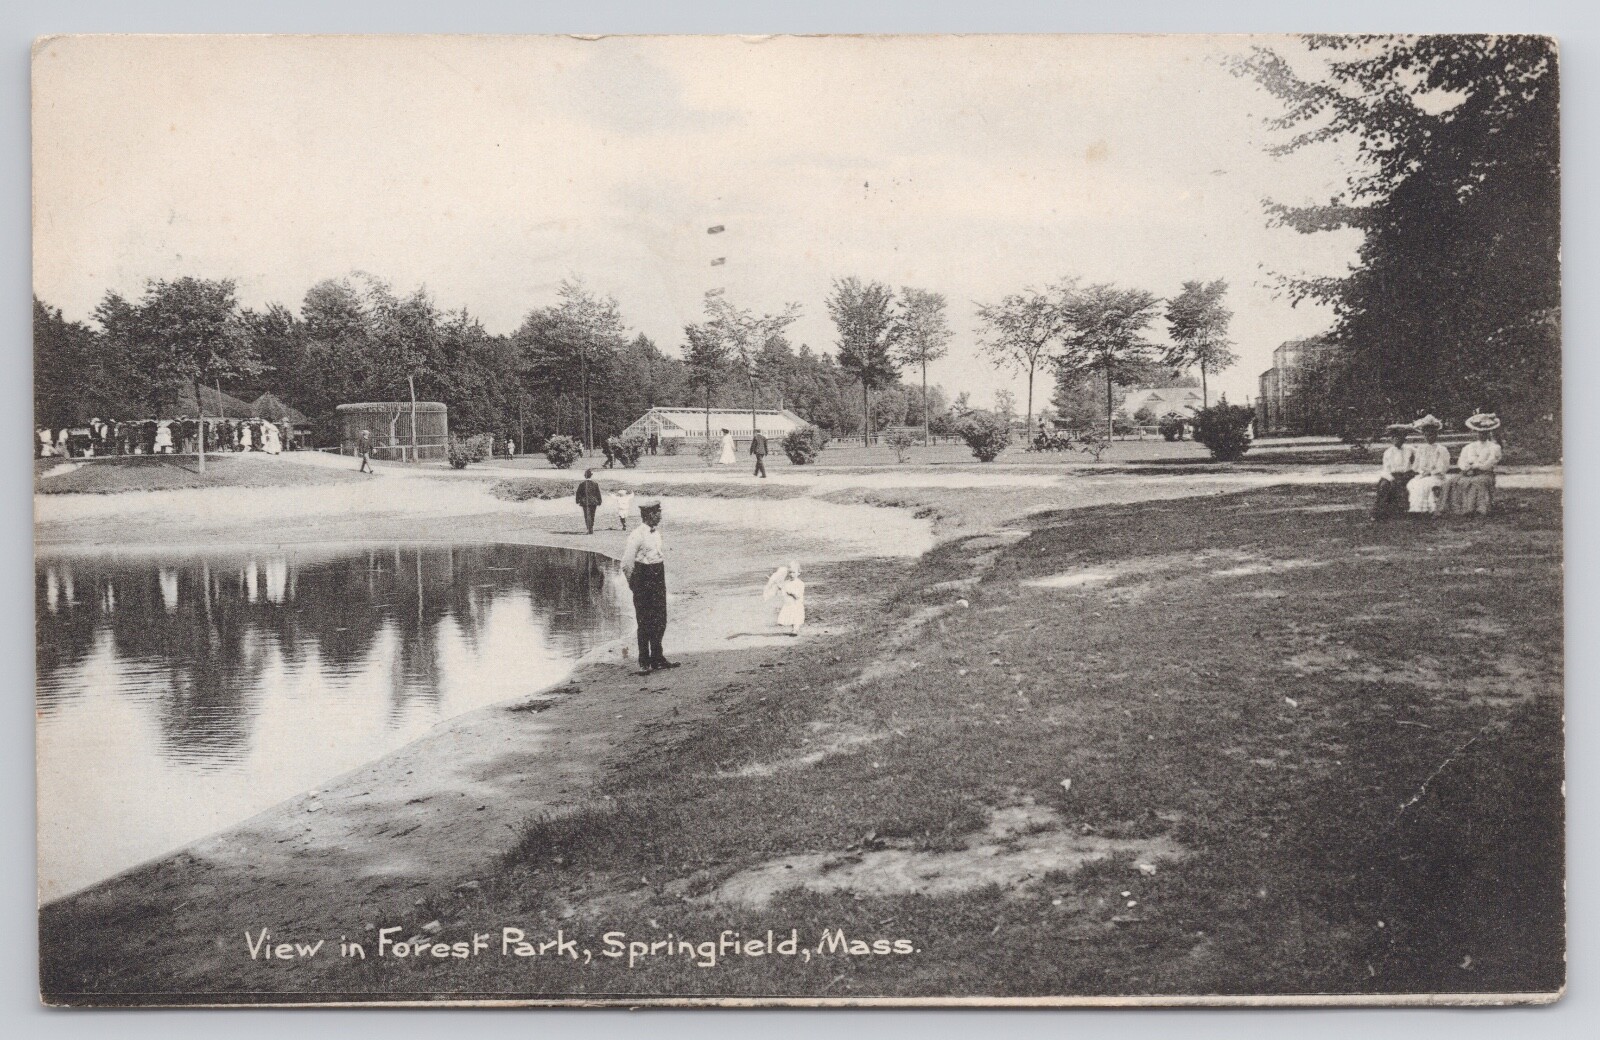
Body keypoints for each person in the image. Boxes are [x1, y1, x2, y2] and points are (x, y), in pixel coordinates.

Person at [621, 500, 676, 673]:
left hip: (658, 576)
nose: (660, 516)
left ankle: (657, 658)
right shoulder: (637, 535)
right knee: (645, 621)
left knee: (660, 618)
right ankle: (644, 661)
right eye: (658, 513)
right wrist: (634, 585)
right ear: (650, 515)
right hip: (643, 578)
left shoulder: (656, 533)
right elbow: (626, 564)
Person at [1448, 412, 1503, 516]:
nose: (1482, 435)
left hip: (1485, 474)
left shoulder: (1494, 447)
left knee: (1477, 481)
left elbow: (1489, 463)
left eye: (1485, 432)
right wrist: (1466, 468)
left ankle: (1476, 509)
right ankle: (1458, 508)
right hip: (1468, 473)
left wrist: (1475, 467)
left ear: (1489, 433)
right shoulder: (1469, 447)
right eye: (1479, 432)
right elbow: (1461, 461)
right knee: (1453, 481)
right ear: (1475, 432)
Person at [1407, 415, 1450, 516]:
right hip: (1423, 475)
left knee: (1425, 484)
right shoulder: (1421, 449)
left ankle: (1430, 509)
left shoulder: (1441, 449)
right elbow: (1417, 466)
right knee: (1413, 483)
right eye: (1426, 435)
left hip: (1437, 476)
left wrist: (1430, 472)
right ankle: (1417, 509)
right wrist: (1422, 472)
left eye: (1431, 435)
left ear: (1436, 435)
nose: (1429, 437)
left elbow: (1442, 468)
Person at [1372, 423, 1416, 520]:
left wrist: (1412, 472)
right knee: (1384, 485)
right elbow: (1386, 469)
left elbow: (1417, 463)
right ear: (1391, 439)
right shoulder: (1388, 452)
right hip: (1392, 475)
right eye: (1394, 437)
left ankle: (1404, 510)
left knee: (1407, 485)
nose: (1396, 440)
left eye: (1399, 437)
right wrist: (1391, 479)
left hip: (1407, 475)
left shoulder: (1411, 450)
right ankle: (1380, 512)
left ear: (1404, 439)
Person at [764, 561, 807, 636]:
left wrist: (791, 593)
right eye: (790, 573)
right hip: (789, 603)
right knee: (791, 616)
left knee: (796, 617)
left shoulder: (800, 583)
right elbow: (783, 589)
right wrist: (779, 587)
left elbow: (798, 596)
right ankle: (794, 629)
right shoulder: (787, 582)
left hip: (796, 604)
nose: (791, 574)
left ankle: (795, 630)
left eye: (794, 572)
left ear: (799, 573)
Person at [575, 468, 603, 534]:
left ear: (585, 476)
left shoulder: (582, 484)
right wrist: (599, 501)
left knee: (587, 515)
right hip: (593, 501)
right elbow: (598, 493)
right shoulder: (595, 484)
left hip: (585, 501)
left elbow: (578, 493)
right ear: (591, 476)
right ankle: (591, 527)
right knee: (592, 514)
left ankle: (589, 527)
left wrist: (577, 500)